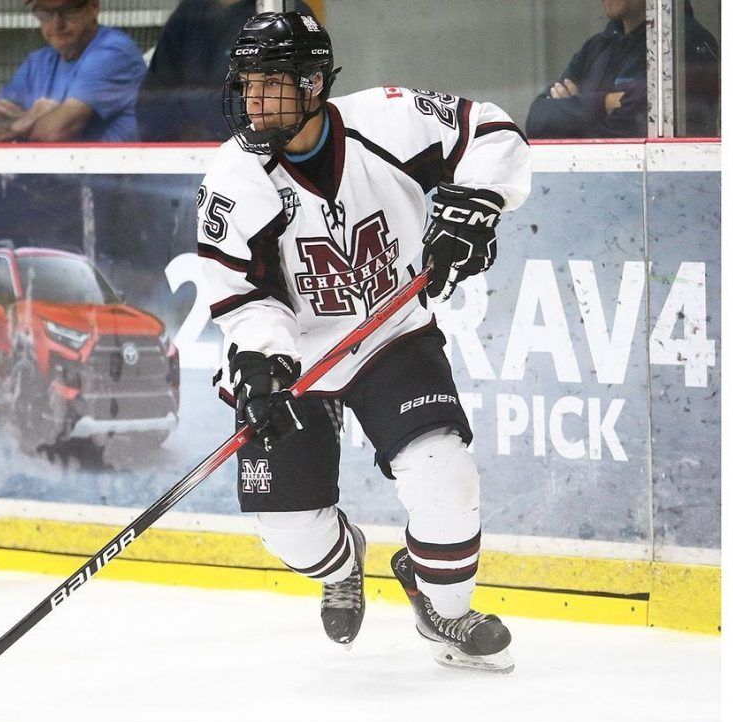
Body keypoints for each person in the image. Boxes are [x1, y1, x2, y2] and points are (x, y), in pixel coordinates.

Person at [197, 11, 531, 672]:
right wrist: (263, 363)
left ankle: (445, 611)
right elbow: (243, 296)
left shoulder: (388, 119)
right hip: (296, 361)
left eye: (270, 83)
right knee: (292, 530)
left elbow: (491, 130)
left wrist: (476, 204)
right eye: (246, 84)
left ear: (314, 82)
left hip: (391, 337)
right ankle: (342, 563)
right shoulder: (234, 179)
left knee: (443, 474)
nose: (253, 100)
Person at [525, 0, 719, 139]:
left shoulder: (680, 42)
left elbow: (634, 127)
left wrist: (572, 115)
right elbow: (537, 120)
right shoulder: (597, 48)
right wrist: (605, 103)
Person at [0, 0, 146, 142]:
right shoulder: (38, 61)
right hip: (55, 173)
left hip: (108, 174)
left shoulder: (114, 52)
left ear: (93, 7)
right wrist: (25, 121)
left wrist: (17, 124)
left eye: (68, 11)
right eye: (45, 13)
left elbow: (54, 132)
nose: (56, 24)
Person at [136, 0, 312, 141]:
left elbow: (276, 107)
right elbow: (149, 106)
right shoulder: (188, 14)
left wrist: (187, 108)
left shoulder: (284, 11)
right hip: (183, 162)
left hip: (257, 161)